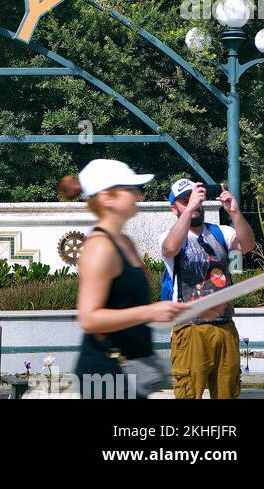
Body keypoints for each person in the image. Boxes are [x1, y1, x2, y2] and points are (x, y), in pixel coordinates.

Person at [59, 159, 186, 399]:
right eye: (130, 189)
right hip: (106, 374)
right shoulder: (100, 248)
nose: (138, 195)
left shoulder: (124, 242)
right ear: (108, 197)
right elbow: (89, 318)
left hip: (128, 369)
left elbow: (127, 306)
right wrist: (150, 312)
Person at [160, 179, 257, 399]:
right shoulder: (170, 235)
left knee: (228, 392)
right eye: (185, 201)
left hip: (224, 326)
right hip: (190, 328)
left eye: (196, 199)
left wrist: (235, 212)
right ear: (174, 208)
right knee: (189, 393)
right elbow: (170, 248)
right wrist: (190, 209)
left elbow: (248, 245)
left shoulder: (220, 232)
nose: (195, 205)